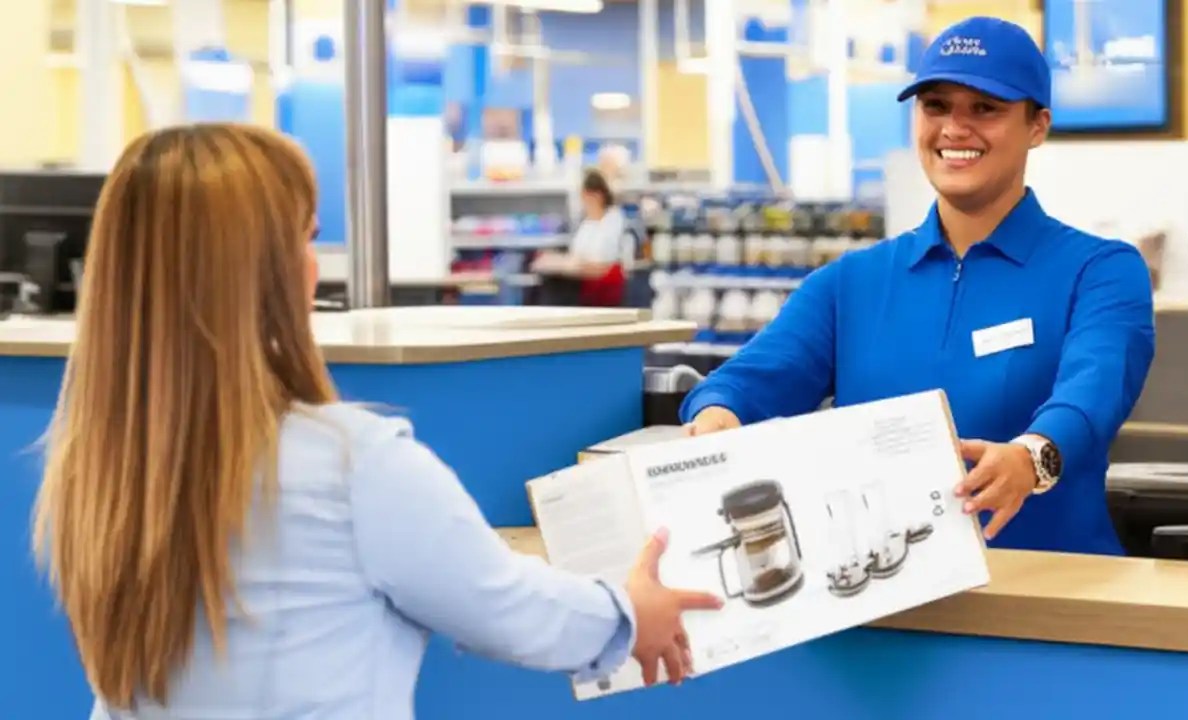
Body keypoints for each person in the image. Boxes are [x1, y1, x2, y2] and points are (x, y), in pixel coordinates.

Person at [30, 124, 721, 719]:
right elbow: (506, 607)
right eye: (306, 238)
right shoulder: (350, 463)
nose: (313, 266)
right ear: (261, 271)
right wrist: (630, 614)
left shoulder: (97, 467)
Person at [679, 16, 1155, 557]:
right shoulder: (850, 283)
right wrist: (716, 417)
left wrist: (1031, 458)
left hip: (1048, 600)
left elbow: (1091, 394)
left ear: (1037, 126)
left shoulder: (1099, 271)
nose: (954, 128)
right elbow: (747, 381)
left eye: (985, 108)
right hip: (887, 603)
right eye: (935, 106)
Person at [532, 168, 633, 306]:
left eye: (583, 196)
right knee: (544, 283)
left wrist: (564, 266)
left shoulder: (613, 221)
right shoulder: (588, 222)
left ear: (596, 195)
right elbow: (577, 255)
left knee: (553, 291)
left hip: (602, 288)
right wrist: (556, 261)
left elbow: (600, 267)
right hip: (583, 281)